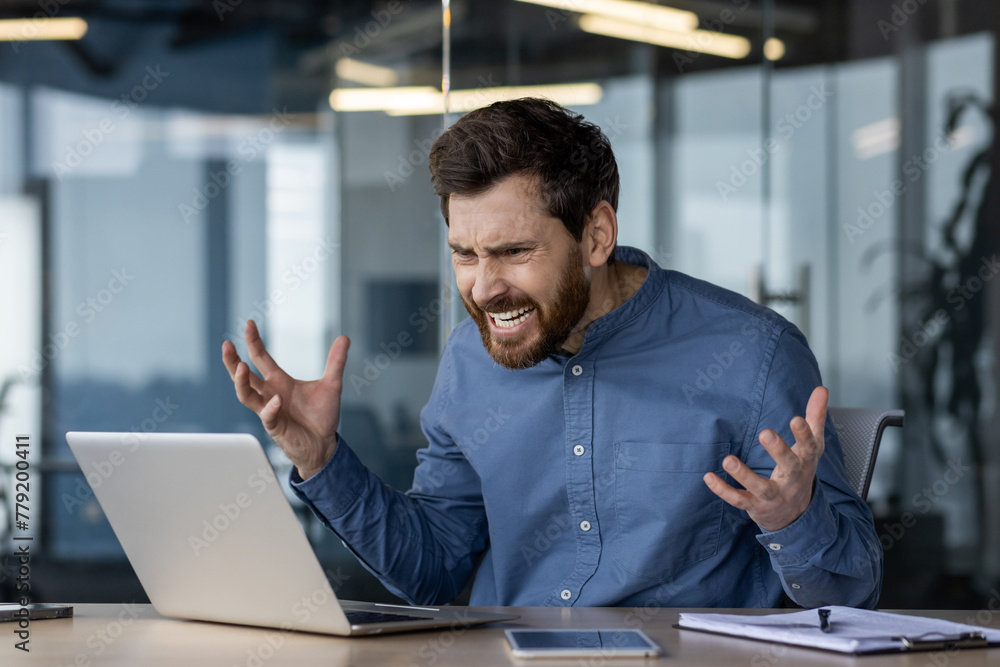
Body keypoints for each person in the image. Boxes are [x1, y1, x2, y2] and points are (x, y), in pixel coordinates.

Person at [222, 98, 882, 609]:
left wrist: (793, 517)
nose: (483, 287)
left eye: (513, 252)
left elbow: (852, 594)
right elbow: (434, 568)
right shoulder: (470, 360)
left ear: (596, 235)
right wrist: (321, 459)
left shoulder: (751, 353)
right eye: (465, 254)